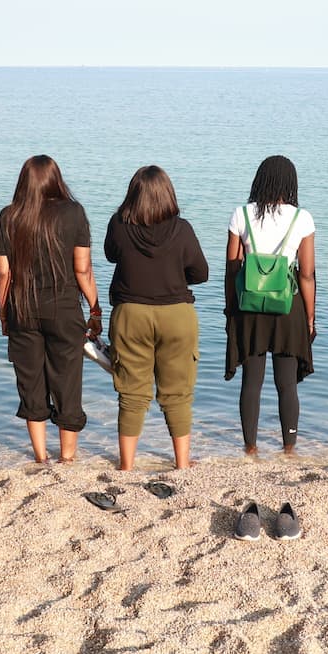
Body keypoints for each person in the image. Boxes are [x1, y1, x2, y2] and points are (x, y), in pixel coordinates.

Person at [0, 156, 100, 464]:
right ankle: (67, 457)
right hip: (65, 310)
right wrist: (94, 308)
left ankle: (40, 457)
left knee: (30, 382)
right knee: (66, 380)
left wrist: (4, 314)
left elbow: (4, 273)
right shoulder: (74, 212)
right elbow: (83, 269)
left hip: (22, 309)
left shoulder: (9, 216)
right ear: (57, 179)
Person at [103, 165, 208, 470]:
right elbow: (200, 273)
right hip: (176, 315)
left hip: (130, 314)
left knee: (132, 393)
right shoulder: (183, 229)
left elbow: (111, 255)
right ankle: (182, 463)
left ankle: (126, 465)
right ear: (169, 194)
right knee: (177, 393)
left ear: (132, 194)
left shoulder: (119, 225)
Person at [225, 155, 316, 456]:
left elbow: (232, 267)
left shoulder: (241, 214)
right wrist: (311, 318)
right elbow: (306, 274)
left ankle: (250, 448)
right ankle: (289, 449)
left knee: (252, 383)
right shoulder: (301, 218)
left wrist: (230, 308)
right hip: (288, 308)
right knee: (287, 384)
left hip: (249, 307)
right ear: (290, 183)